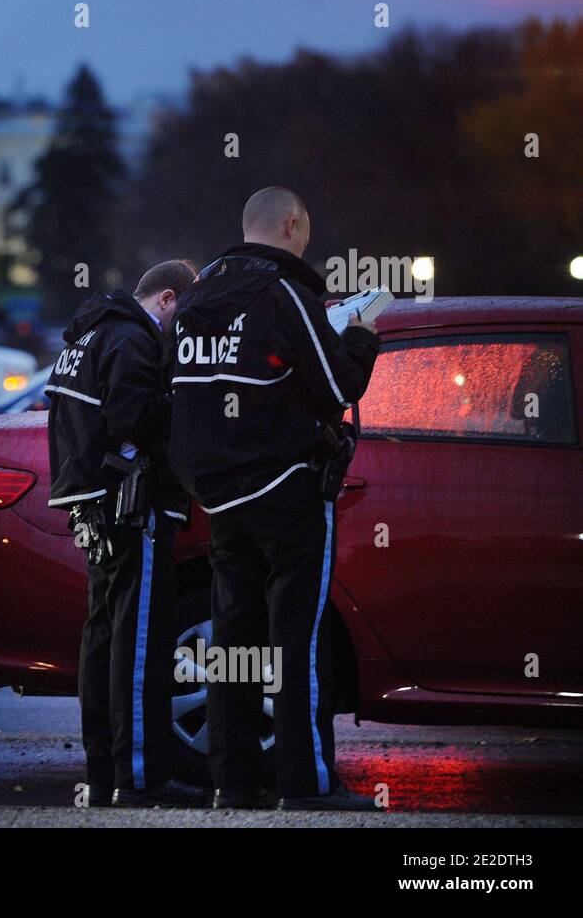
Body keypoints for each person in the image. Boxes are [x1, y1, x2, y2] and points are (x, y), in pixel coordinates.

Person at [168, 187, 381, 811]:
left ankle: (231, 784)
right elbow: (337, 384)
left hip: (218, 496)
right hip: (286, 489)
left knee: (233, 642)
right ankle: (307, 784)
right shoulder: (286, 294)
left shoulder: (196, 297)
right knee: (299, 639)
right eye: (305, 235)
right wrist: (362, 334)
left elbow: (179, 391)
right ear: (290, 224)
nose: (306, 245)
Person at [45, 260, 206, 808]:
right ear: (165, 299)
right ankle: (140, 780)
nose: (182, 334)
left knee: (103, 642)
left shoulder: (89, 333)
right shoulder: (131, 342)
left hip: (90, 506)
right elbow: (134, 419)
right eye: (182, 316)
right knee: (140, 648)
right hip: (131, 509)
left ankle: (106, 771)